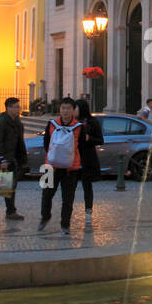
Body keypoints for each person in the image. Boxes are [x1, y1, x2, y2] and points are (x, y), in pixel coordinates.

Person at [39, 97, 83, 235]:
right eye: (63, 108)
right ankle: (45, 217)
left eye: (68, 108)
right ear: (60, 109)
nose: (65, 111)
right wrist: (55, 157)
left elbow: (81, 146)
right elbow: (46, 143)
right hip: (50, 167)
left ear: (73, 110)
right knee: (46, 195)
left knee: (68, 199)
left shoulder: (79, 127)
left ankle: (65, 224)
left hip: (71, 169)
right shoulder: (51, 124)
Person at [0, 97, 27, 222]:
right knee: (0, 185)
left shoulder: (16, 121)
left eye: (18, 106)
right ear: (8, 108)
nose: (18, 109)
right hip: (2, 158)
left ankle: (11, 211)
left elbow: (20, 141)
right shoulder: (1, 122)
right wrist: (2, 160)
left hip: (12, 157)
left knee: (10, 185)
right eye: (16, 107)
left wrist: (22, 158)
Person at [75, 97, 104, 222]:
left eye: (75, 108)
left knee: (87, 186)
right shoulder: (72, 122)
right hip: (73, 158)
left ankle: (88, 209)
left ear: (81, 109)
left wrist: (89, 138)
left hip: (87, 158)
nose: (73, 110)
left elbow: (100, 140)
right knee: (69, 186)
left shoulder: (92, 122)